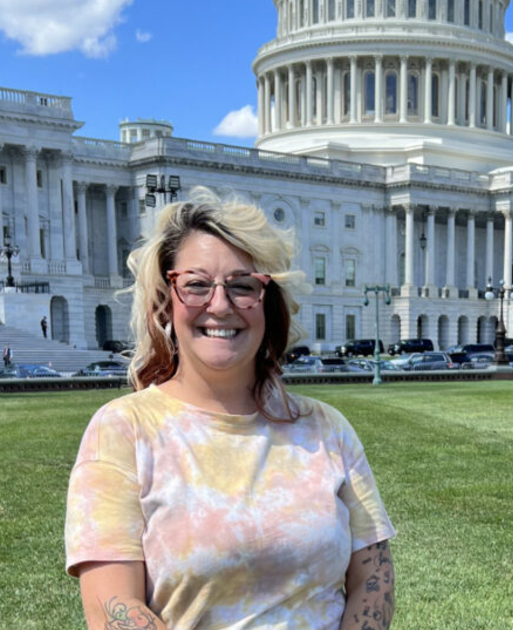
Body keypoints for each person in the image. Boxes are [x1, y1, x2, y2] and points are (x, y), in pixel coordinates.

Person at [65, 188, 396, 630]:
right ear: (166, 300)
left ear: (269, 303)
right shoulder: (123, 430)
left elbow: (373, 577)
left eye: (243, 286)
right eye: (196, 285)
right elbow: (113, 609)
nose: (220, 305)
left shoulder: (326, 428)